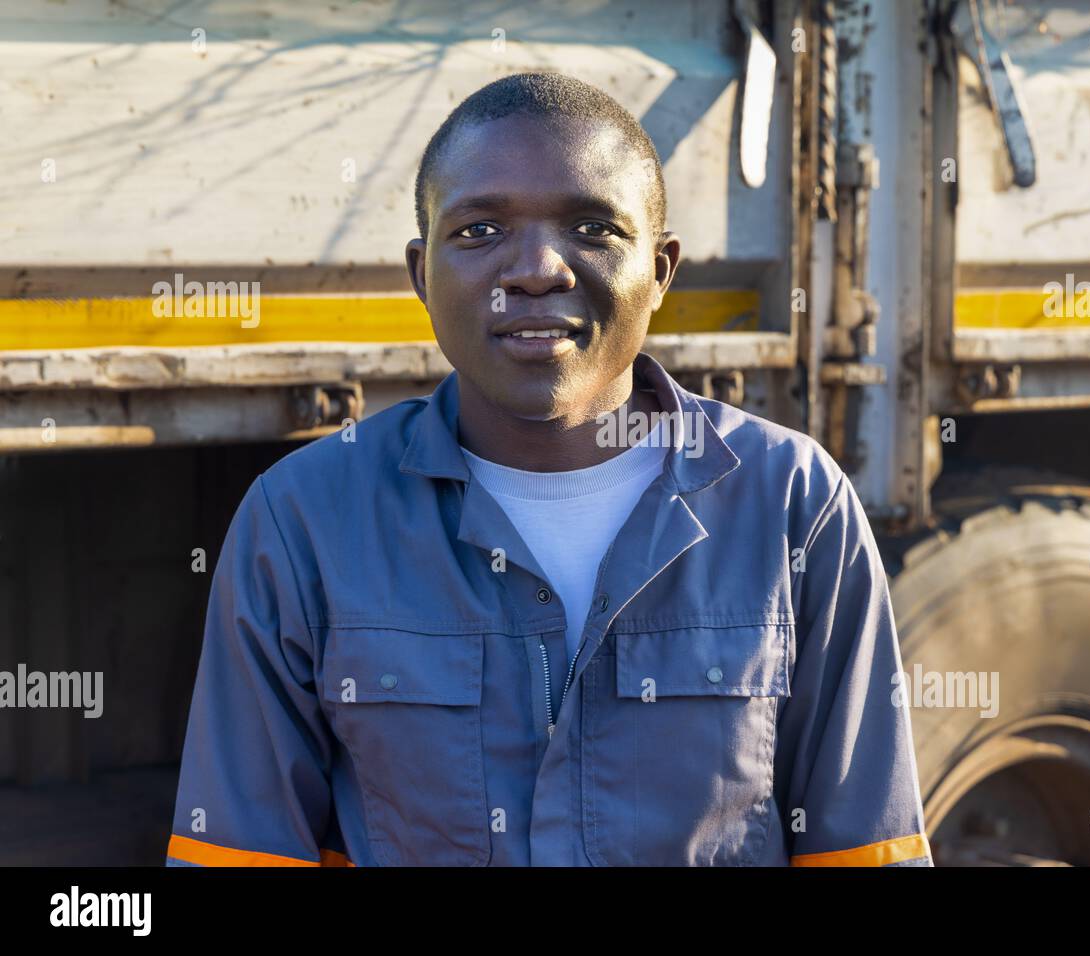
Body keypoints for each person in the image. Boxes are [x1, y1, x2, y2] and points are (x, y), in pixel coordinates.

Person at [165, 71, 932, 867]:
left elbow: (864, 848)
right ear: (421, 274)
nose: (537, 269)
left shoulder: (792, 505)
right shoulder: (301, 522)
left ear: (662, 270)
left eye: (594, 229)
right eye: (480, 230)